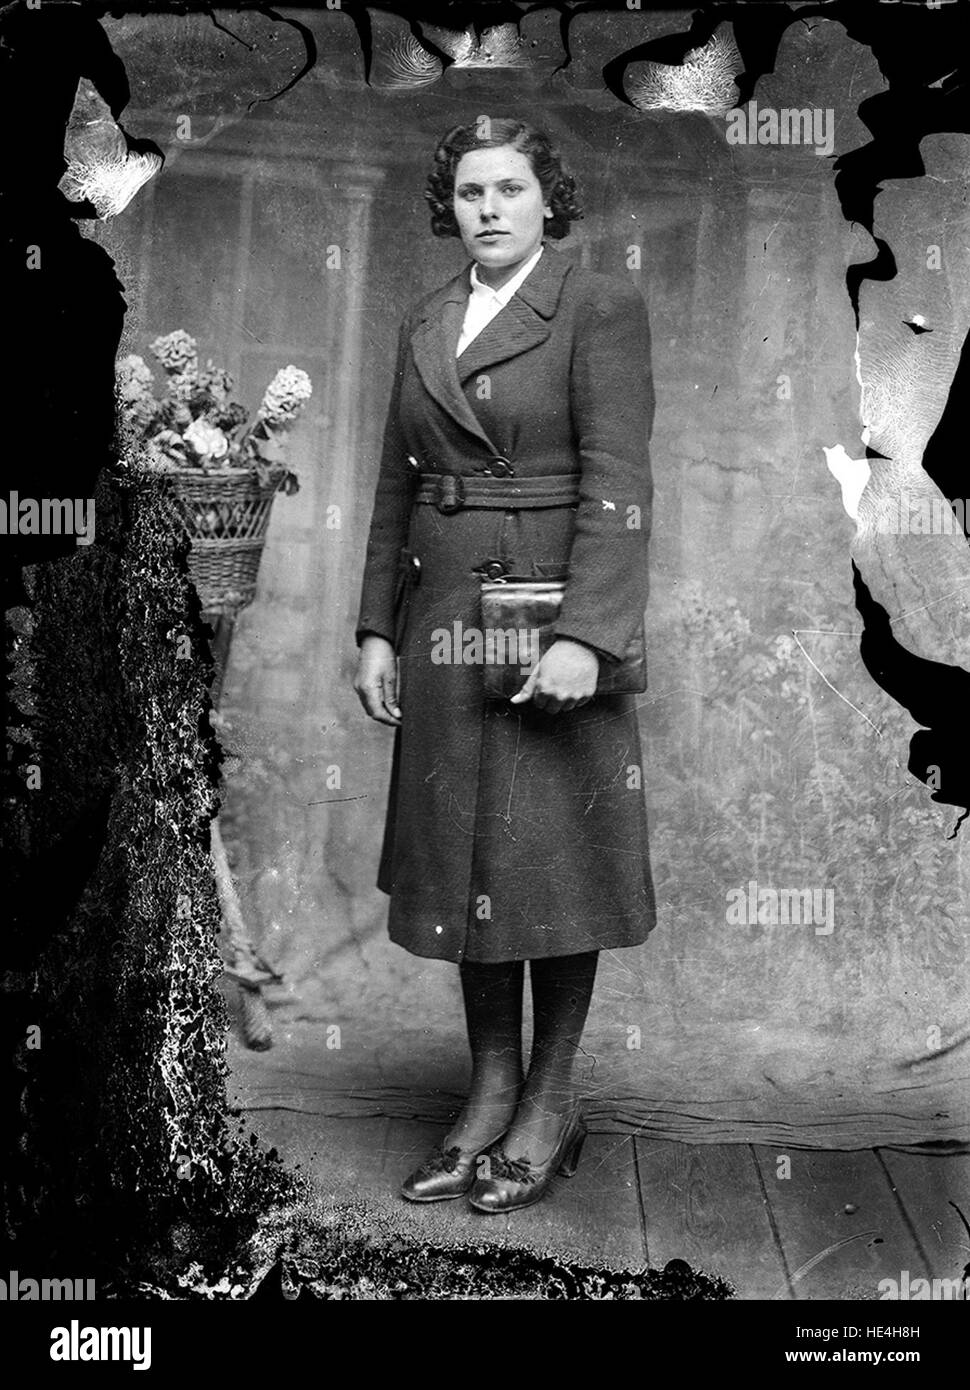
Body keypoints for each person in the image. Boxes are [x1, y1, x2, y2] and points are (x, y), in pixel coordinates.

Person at [354, 117, 656, 1213]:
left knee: (553, 858)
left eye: (511, 189)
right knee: (461, 853)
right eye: (471, 191)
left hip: (547, 617)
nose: (488, 208)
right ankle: (488, 1093)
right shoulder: (425, 317)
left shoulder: (596, 303)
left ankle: (550, 1101)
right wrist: (375, 627)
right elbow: (396, 482)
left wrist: (588, 635)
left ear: (547, 202)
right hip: (442, 620)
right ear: (452, 206)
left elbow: (622, 484)